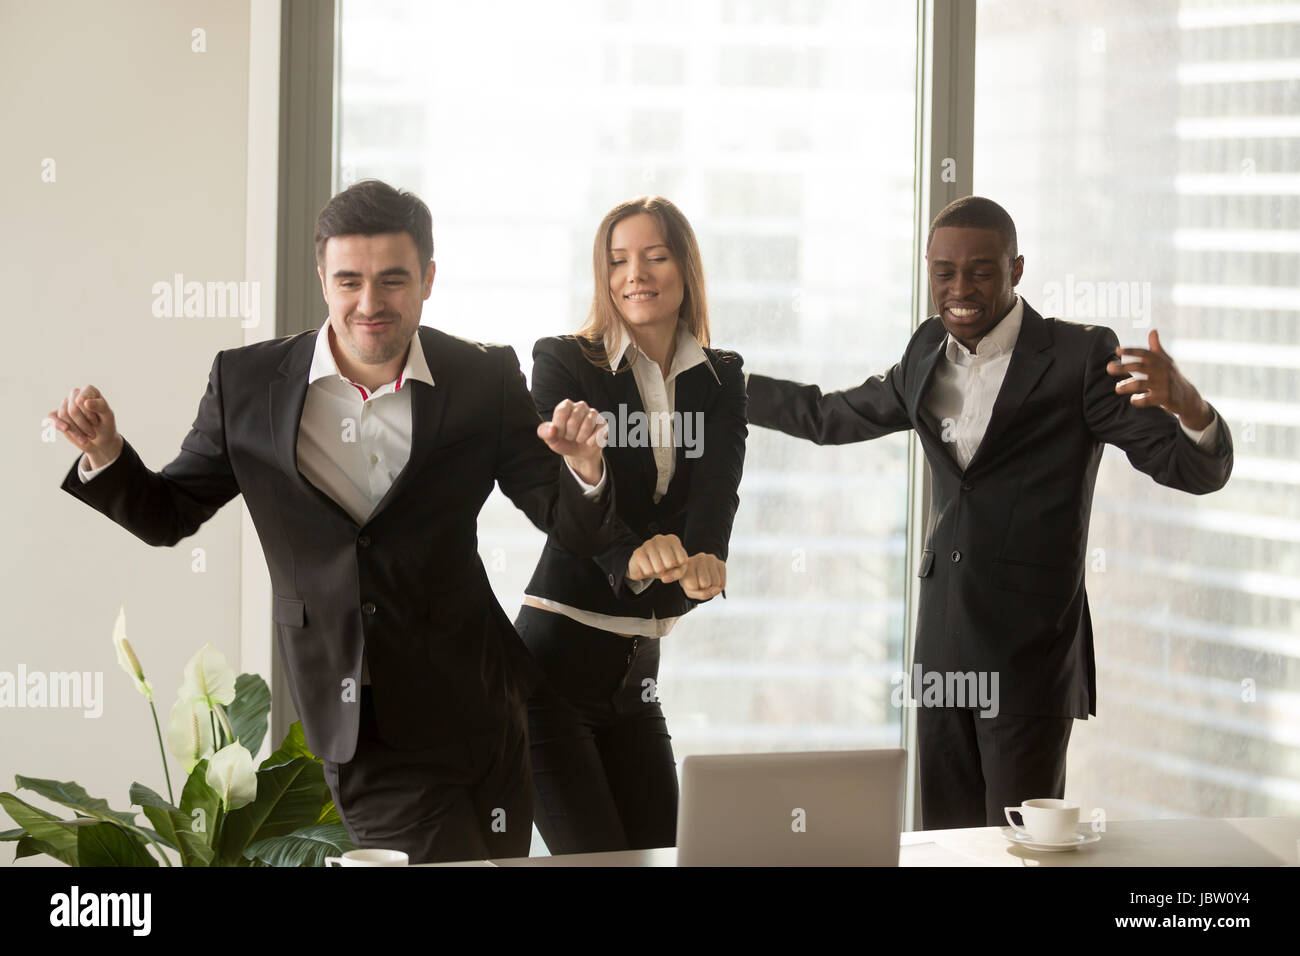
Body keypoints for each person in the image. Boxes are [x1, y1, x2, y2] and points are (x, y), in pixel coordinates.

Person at [51, 179, 624, 864]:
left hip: (488, 710)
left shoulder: (482, 377)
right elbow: (168, 515)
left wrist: (585, 469)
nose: (370, 304)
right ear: (322, 277)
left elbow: (564, 522)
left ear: (428, 280)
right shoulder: (247, 385)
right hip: (367, 723)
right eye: (349, 280)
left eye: (393, 281)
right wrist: (108, 456)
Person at [744, 196, 1233, 829]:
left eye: (980, 270)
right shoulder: (926, 351)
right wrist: (724, 385)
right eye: (943, 271)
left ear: (1017, 269)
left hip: (1028, 659)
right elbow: (827, 417)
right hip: (942, 650)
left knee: (1016, 846)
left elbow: (1194, 470)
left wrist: (1190, 408)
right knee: (945, 844)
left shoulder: (1078, 357)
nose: (959, 288)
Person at [516, 196, 747, 853]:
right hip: (551, 673)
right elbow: (564, 510)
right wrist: (628, 553)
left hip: (636, 681)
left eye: (654, 255)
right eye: (618, 260)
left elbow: (717, 492)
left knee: (664, 856)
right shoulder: (564, 361)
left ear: (684, 267)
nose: (634, 273)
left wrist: (706, 561)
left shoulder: (722, 376)